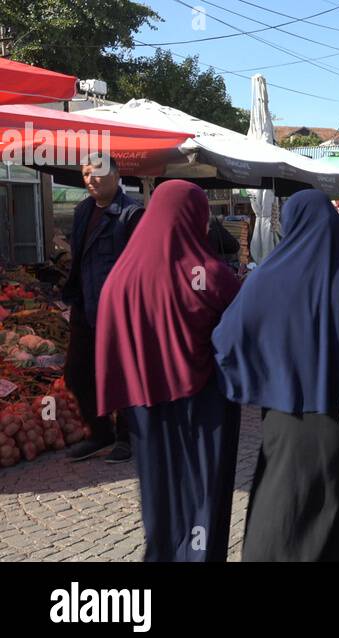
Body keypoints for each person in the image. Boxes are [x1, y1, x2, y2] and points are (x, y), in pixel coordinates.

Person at [212, 191, 339, 562]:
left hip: (286, 422)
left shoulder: (268, 278)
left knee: (284, 510)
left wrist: (265, 379)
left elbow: (227, 340)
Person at [94, 180, 241, 562]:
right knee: (202, 488)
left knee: (159, 490)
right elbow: (243, 328)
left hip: (142, 403)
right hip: (202, 405)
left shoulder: (121, 275)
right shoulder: (209, 273)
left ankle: (161, 553)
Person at [63, 154, 143, 464]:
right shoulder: (82, 209)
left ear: (116, 175)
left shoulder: (132, 213)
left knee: (121, 375)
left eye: (97, 173)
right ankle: (100, 432)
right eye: (85, 174)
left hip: (118, 310)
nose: (91, 179)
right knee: (76, 373)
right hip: (85, 306)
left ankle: (126, 437)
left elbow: (141, 265)